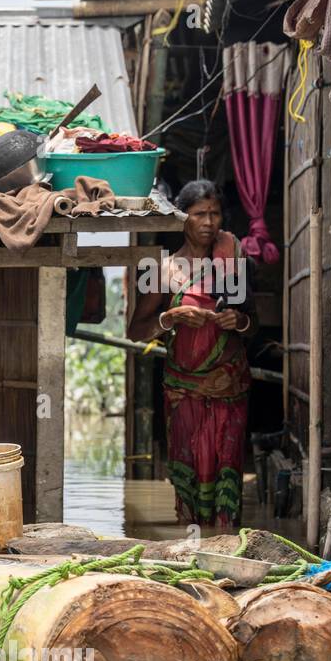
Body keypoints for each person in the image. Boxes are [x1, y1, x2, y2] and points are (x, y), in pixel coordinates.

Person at [127, 180, 256, 527]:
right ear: (183, 218)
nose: (208, 222)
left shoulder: (232, 259)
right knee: (187, 476)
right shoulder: (163, 270)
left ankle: (228, 550)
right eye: (200, 214)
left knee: (228, 474)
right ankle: (190, 553)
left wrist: (238, 320)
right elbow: (136, 330)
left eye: (214, 213)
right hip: (183, 393)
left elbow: (252, 321)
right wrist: (170, 318)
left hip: (230, 389)